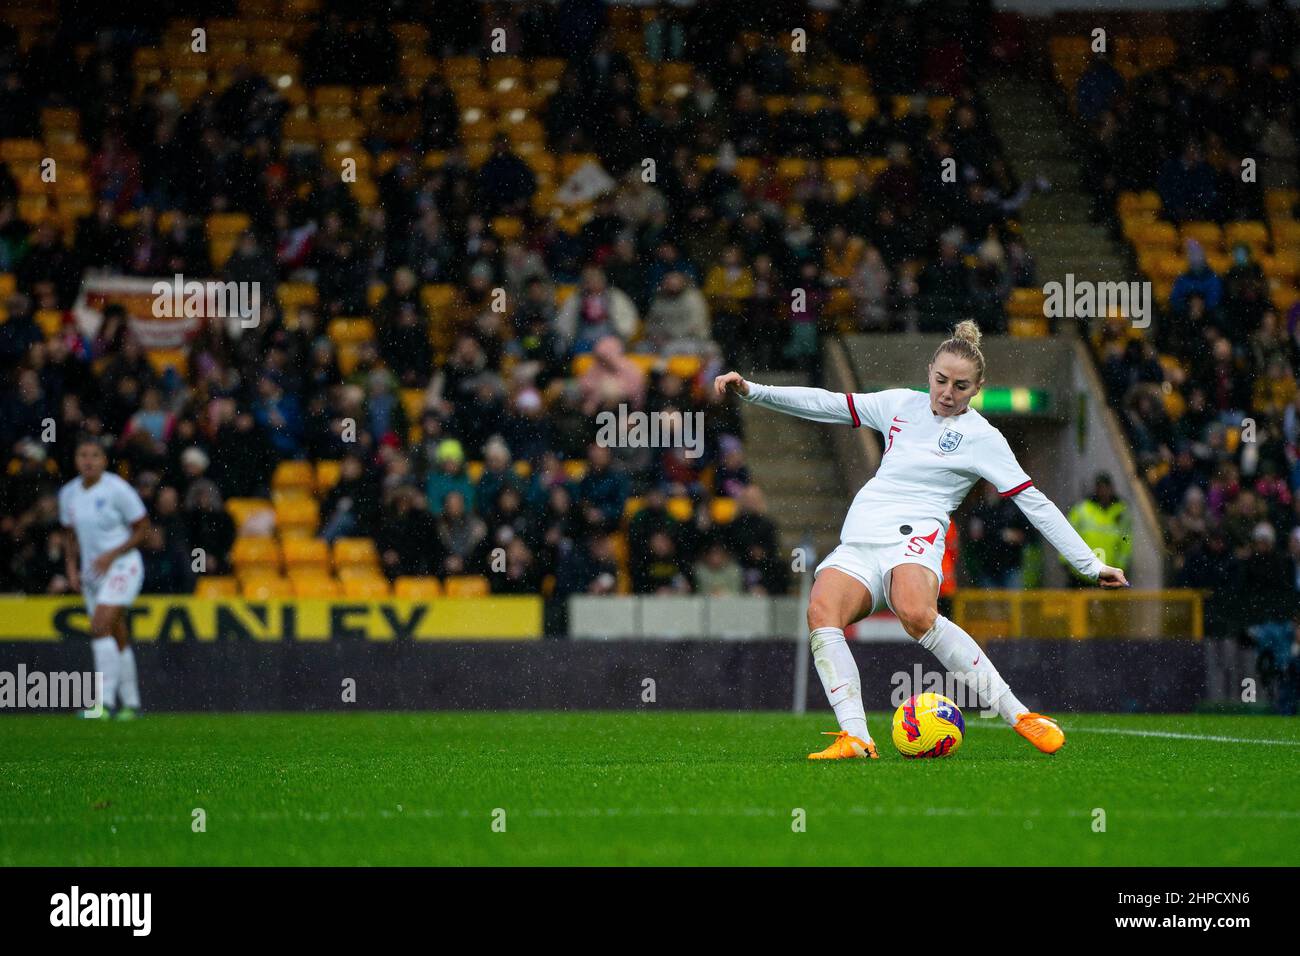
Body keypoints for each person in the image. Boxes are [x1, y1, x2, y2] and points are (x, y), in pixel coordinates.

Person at [714, 321, 1129, 760]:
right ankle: (855, 737)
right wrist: (754, 390)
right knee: (821, 612)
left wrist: (1090, 564)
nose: (948, 392)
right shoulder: (900, 405)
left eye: (961, 385)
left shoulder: (983, 438)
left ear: (978, 388)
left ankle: (1020, 715)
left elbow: (1037, 504)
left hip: (914, 538)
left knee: (915, 612)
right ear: (929, 370)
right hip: (860, 540)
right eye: (941, 380)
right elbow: (829, 403)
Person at [58, 436, 151, 719]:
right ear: (76, 460)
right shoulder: (68, 494)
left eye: (95, 455)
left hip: (123, 565)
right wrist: (72, 568)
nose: (88, 460)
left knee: (99, 626)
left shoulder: (118, 489)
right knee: (116, 632)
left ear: (104, 461)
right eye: (83, 454)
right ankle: (132, 704)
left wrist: (113, 553)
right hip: (92, 572)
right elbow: (69, 536)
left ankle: (104, 702)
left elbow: (143, 529)